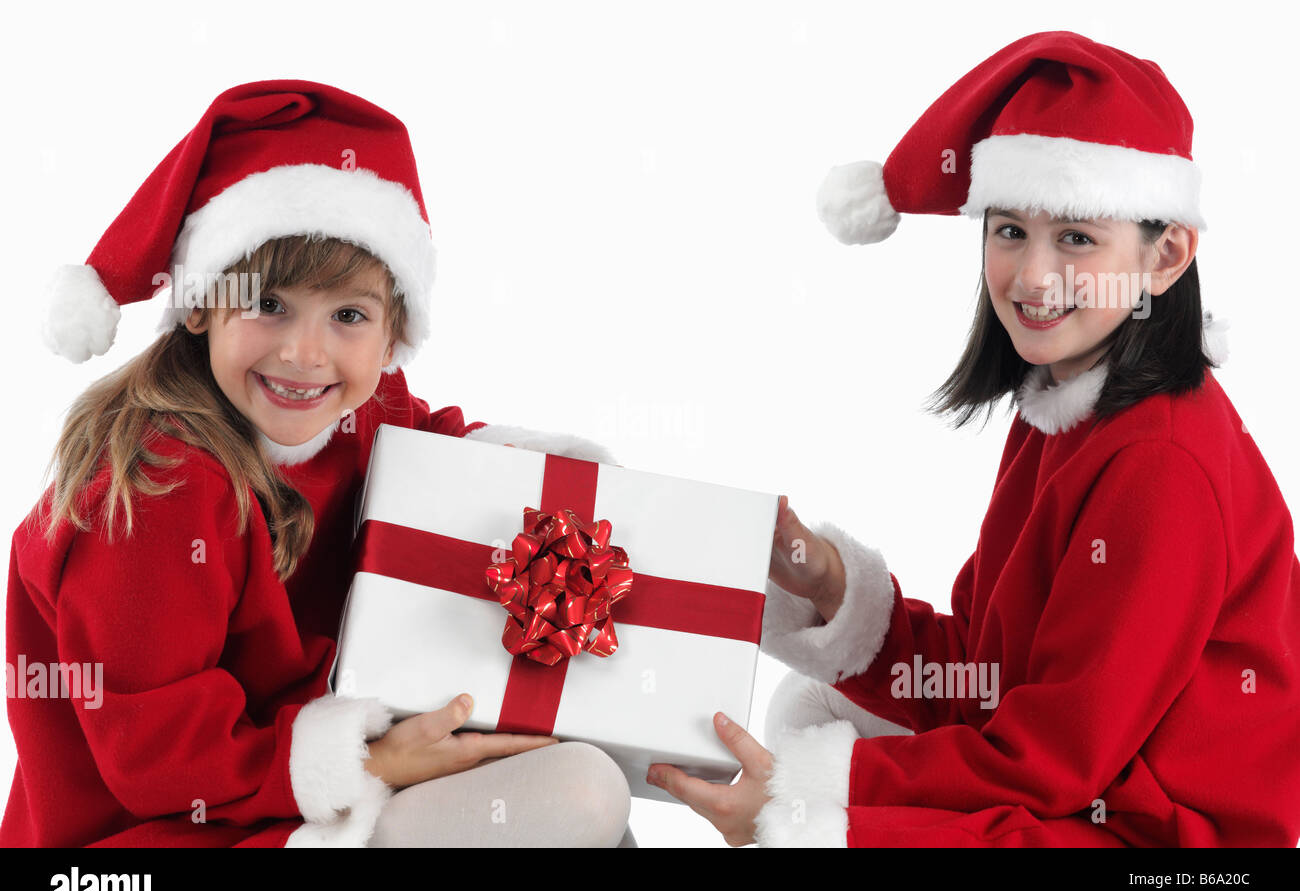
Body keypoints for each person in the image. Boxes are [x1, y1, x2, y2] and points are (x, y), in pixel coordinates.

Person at [647, 30, 1300, 847]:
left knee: (812, 810)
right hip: (1080, 782)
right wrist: (831, 588)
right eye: (1009, 230)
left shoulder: (1160, 462)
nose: (1030, 277)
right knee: (806, 716)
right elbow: (993, 679)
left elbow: (1052, 761)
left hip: (1168, 857)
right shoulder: (1063, 401)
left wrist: (815, 807)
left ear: (1166, 255)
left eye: (1076, 237)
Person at [2, 80, 631, 848]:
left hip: (302, 792)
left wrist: (548, 479)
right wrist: (374, 760)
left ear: (394, 331)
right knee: (579, 796)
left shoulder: (361, 410)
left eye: (348, 316)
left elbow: (427, 447)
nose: (305, 354)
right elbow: (158, 758)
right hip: (159, 840)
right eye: (268, 305)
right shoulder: (158, 486)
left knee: (575, 775)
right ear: (199, 304)